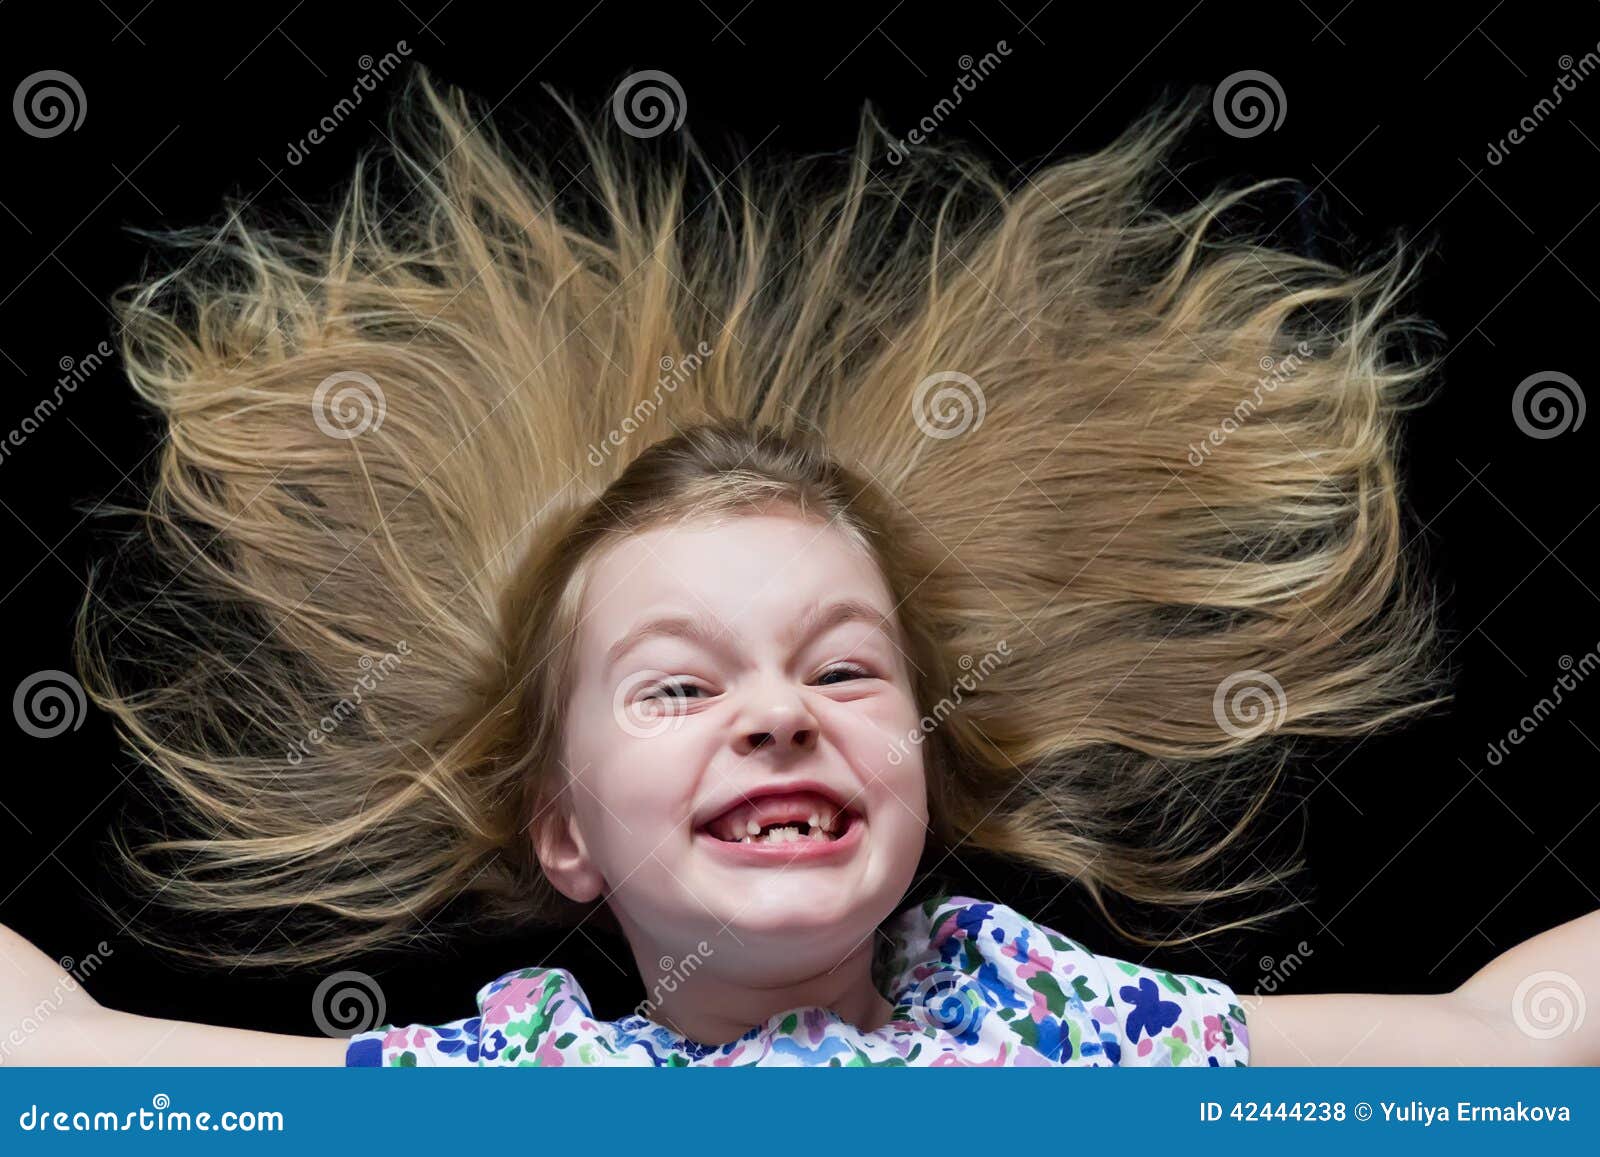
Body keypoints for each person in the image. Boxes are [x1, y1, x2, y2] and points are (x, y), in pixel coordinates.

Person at [4, 68, 1595, 1067]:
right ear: (562, 827)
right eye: (682, 684)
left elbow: (1494, 1048)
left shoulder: (1057, 1029)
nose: (777, 714)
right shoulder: (523, 1089)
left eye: (842, 669)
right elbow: (57, 1055)